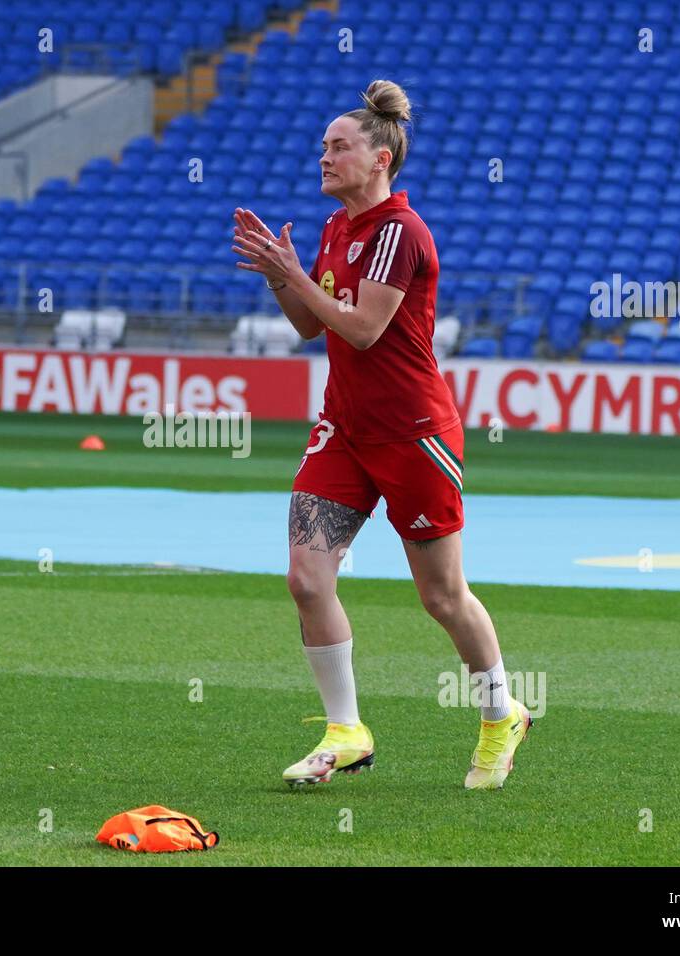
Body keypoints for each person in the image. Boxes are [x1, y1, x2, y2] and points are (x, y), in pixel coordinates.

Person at [232, 79, 533, 791]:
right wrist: (283, 276)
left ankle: (500, 714)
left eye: (338, 146)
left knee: (442, 596)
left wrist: (292, 276)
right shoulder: (338, 229)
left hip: (412, 432)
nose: (323, 157)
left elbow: (364, 331)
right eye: (322, 147)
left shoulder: (401, 231)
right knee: (307, 579)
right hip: (345, 427)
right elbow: (312, 325)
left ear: (380, 158)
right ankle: (346, 732)